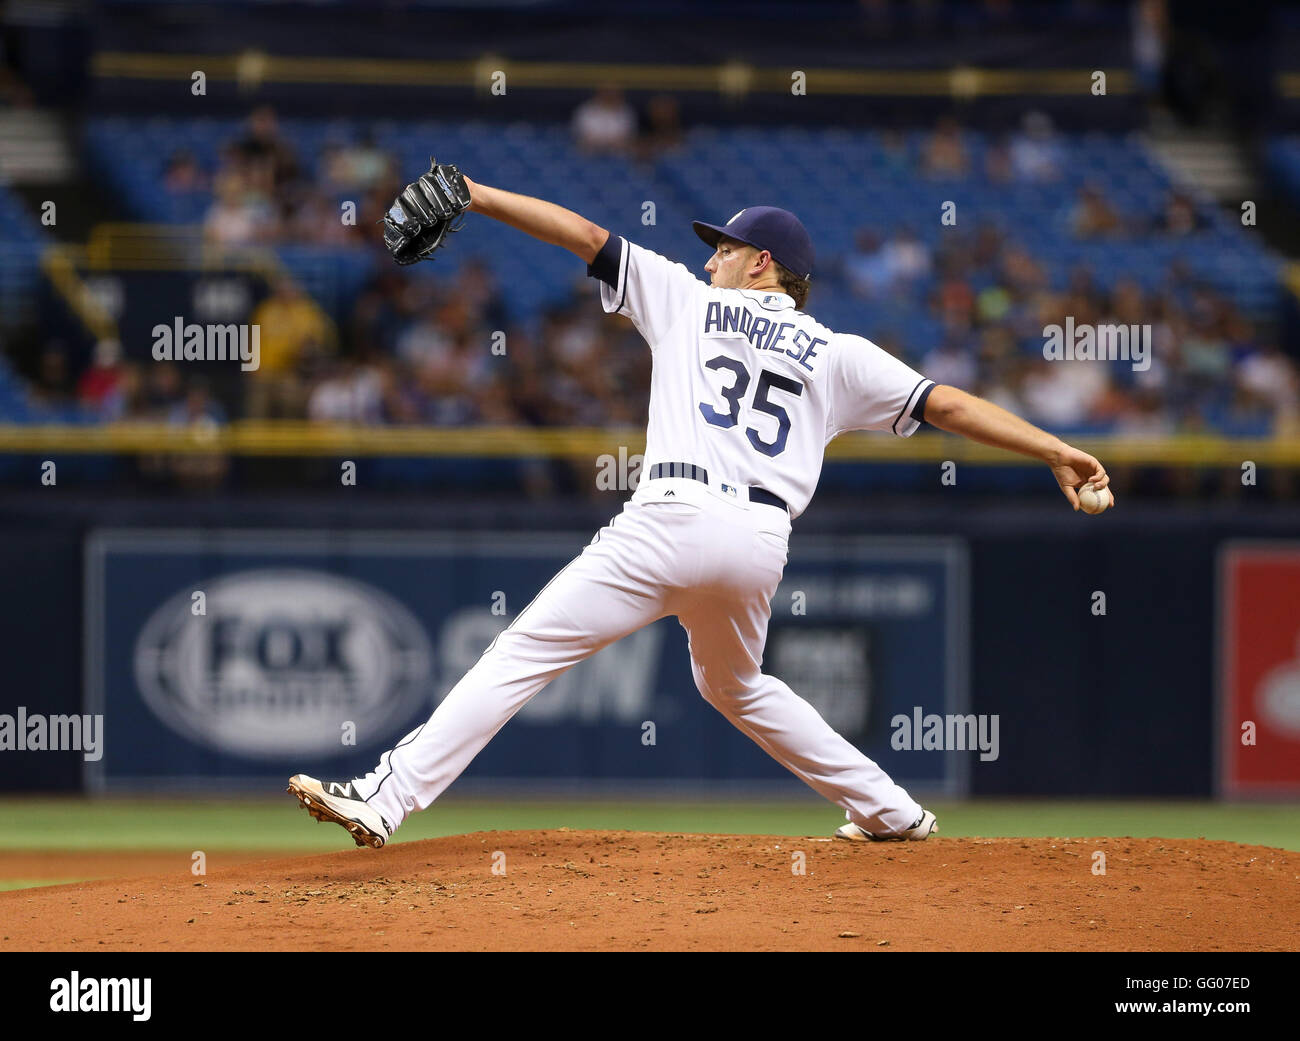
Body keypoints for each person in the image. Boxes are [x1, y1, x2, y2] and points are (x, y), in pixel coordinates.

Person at [289, 182, 1115, 847]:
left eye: (723, 248)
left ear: (762, 264)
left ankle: (387, 797)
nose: (710, 258)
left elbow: (582, 234)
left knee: (524, 648)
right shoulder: (839, 352)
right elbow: (953, 406)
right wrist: (1054, 449)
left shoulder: (683, 300)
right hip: (759, 543)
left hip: (671, 515)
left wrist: (473, 194)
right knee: (735, 683)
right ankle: (892, 812)